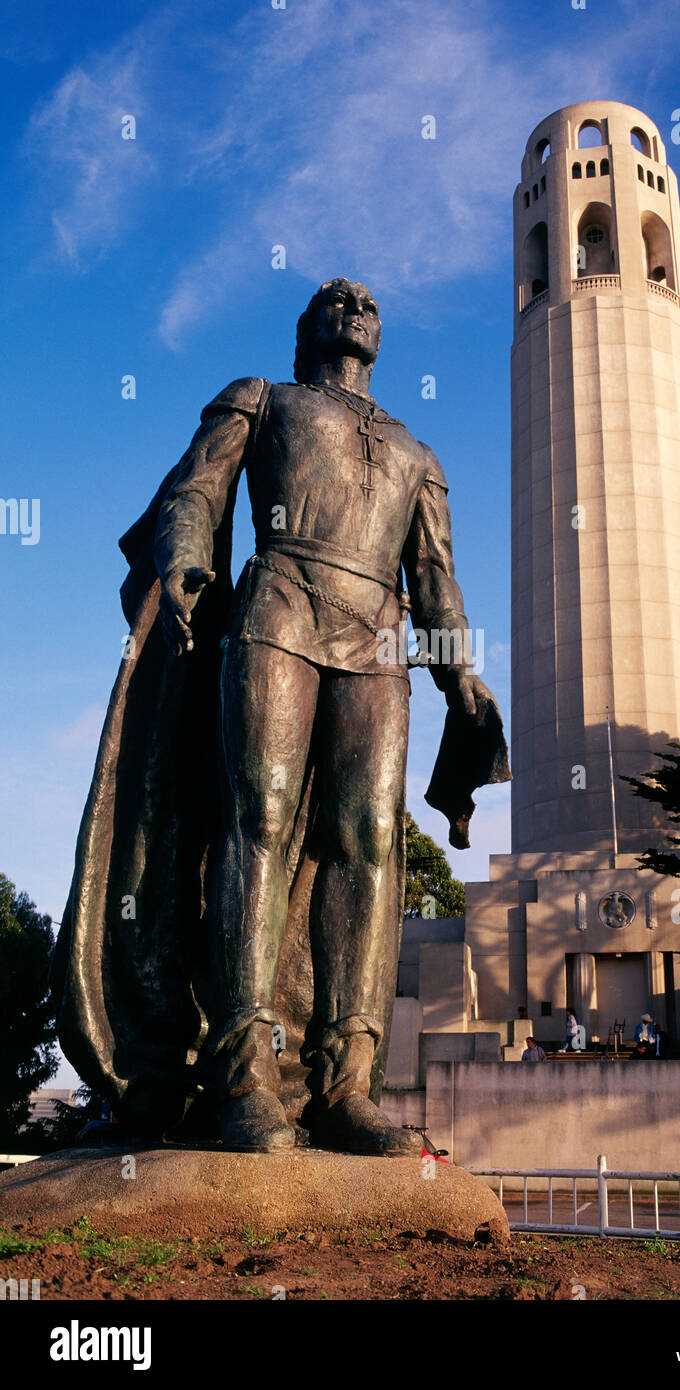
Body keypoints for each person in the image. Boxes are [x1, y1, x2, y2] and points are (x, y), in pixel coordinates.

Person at [53, 279, 510, 1155]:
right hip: (279, 610)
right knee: (256, 820)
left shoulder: (417, 454)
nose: (354, 303)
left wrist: (461, 677)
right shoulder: (261, 399)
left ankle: (345, 1085)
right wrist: (187, 554)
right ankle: (243, 1075)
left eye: (367, 302)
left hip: (379, 641)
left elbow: (437, 586)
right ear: (305, 331)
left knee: (369, 842)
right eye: (333, 300)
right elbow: (195, 491)